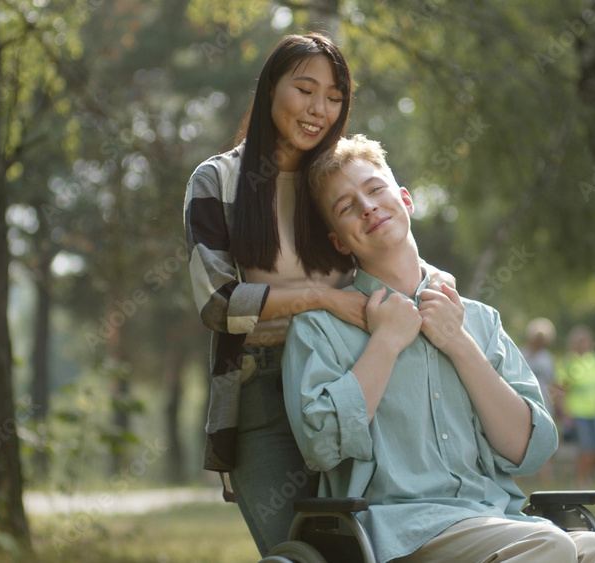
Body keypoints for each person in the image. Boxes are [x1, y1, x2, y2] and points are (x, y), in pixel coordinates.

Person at [282, 134, 595, 563]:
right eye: (346, 207)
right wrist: (386, 342)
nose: (367, 206)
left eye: (374, 189)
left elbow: (530, 450)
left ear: (405, 200)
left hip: (493, 515)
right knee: (551, 546)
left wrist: (457, 341)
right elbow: (321, 448)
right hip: (396, 532)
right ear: (340, 241)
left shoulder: (481, 321)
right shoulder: (319, 328)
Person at [184, 34, 454, 555]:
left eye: (334, 97)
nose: (319, 110)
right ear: (269, 90)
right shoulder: (218, 180)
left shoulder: (330, 180)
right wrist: (323, 298)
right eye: (305, 89)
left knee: (377, 548)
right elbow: (218, 302)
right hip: (262, 387)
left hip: (354, 375)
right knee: (298, 548)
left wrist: (435, 280)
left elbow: (386, 240)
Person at [555, 326, 595, 487]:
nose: (583, 345)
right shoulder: (568, 363)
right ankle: (580, 480)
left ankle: (586, 477)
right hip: (577, 412)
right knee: (585, 449)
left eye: (585, 342)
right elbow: (560, 390)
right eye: (579, 343)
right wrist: (564, 413)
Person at [521, 317, 557, 482]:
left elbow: (552, 383)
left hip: (544, 404)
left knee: (543, 439)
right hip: (523, 402)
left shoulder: (547, 358)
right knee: (522, 439)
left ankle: (545, 480)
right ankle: (518, 478)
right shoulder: (521, 353)